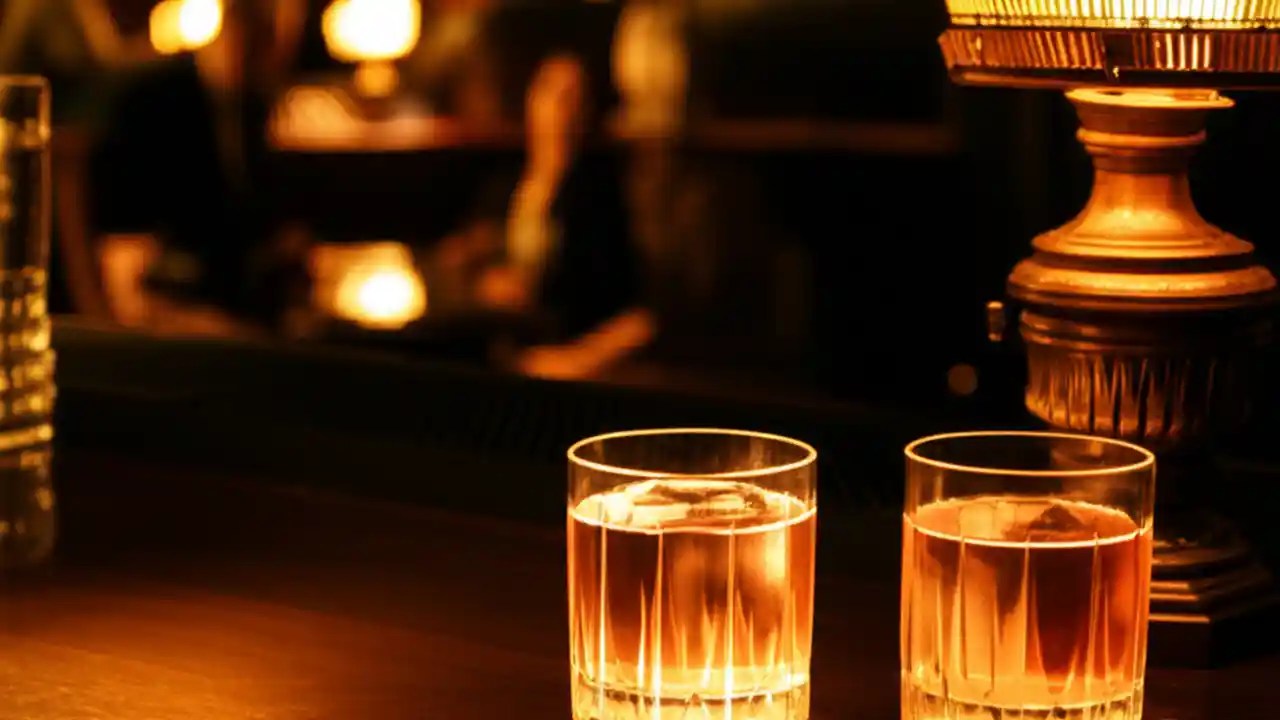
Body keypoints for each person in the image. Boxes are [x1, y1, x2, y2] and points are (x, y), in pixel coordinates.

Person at [88, 0, 307, 335]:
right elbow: (124, 251)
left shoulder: (253, 107)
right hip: (172, 311)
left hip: (240, 314)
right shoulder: (152, 99)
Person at [434, 53, 656, 380]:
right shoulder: (504, 186)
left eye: (574, 98)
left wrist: (577, 360)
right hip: (503, 355)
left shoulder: (602, 197)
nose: (561, 111)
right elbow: (468, 257)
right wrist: (485, 279)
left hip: (570, 365)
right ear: (530, 100)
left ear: (588, 113)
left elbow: (642, 314)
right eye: (550, 92)